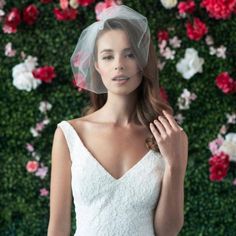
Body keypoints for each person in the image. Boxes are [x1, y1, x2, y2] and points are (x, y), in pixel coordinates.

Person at [47, 4, 188, 236]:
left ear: (142, 62)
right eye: (108, 56)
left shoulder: (171, 136)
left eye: (130, 54)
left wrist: (174, 165)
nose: (119, 64)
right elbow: (58, 227)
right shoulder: (69, 134)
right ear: (97, 65)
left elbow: (167, 231)